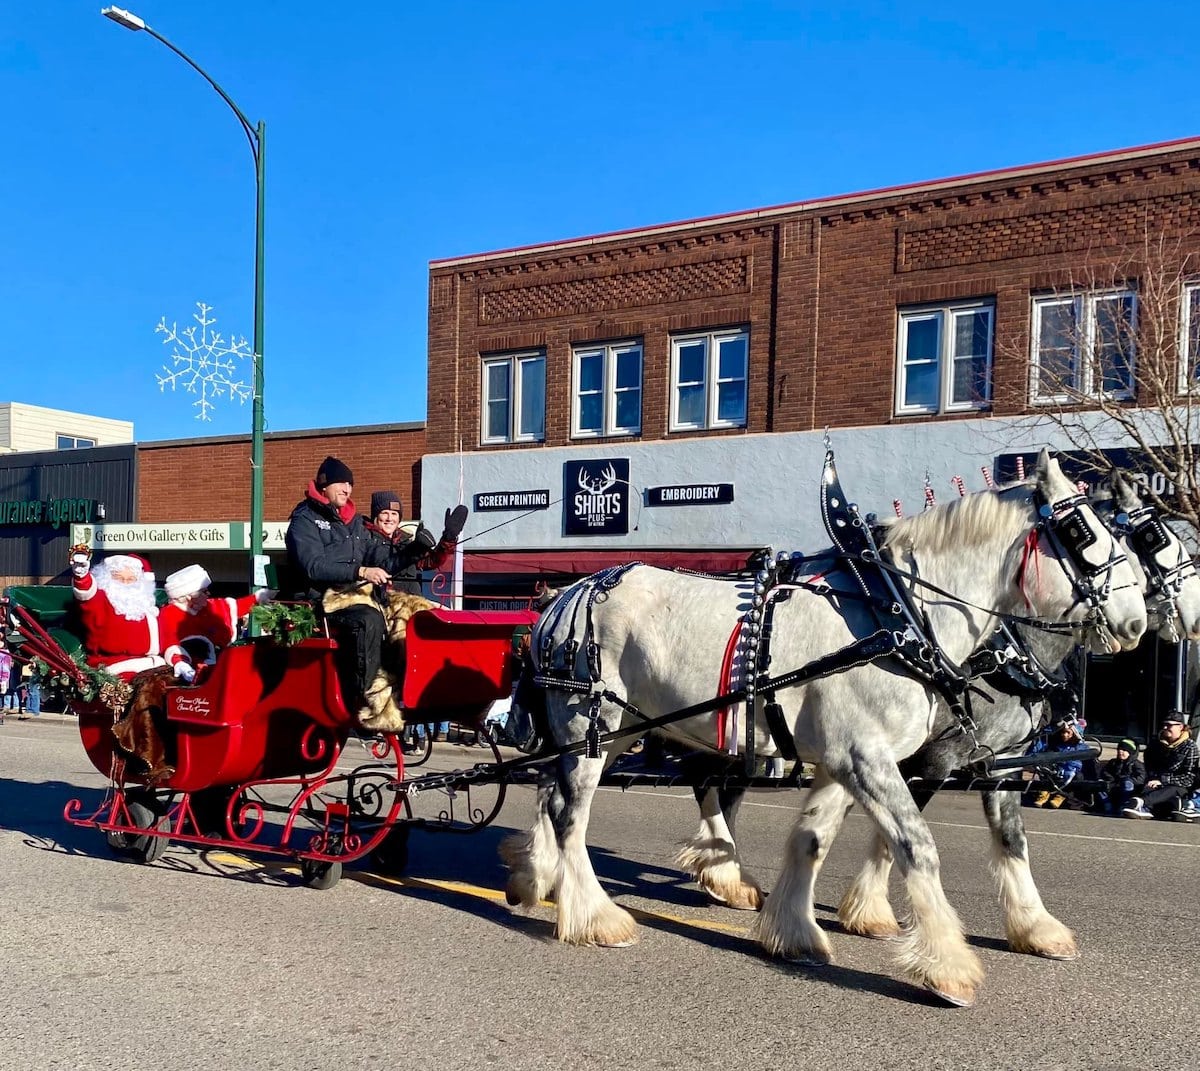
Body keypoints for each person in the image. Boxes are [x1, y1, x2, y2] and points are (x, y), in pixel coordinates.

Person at [285, 457, 393, 727]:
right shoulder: (305, 519)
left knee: (400, 618)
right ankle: (362, 698)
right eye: (342, 483)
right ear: (324, 485)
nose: (348, 489)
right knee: (368, 618)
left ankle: (397, 690)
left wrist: (419, 549)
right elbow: (313, 566)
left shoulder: (355, 523)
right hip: (317, 603)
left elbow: (381, 556)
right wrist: (360, 572)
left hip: (351, 598)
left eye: (350, 484)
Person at [158, 564, 269, 682]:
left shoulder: (211, 606)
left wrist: (264, 595)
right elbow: (170, 642)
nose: (208, 594)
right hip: (192, 670)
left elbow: (239, 605)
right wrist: (180, 662)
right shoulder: (169, 613)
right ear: (190, 596)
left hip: (219, 665)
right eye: (204, 591)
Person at [70, 546, 166, 678]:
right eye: (119, 578)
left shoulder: (147, 606)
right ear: (106, 579)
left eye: (131, 579)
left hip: (152, 664)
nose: (126, 583)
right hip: (115, 667)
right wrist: (82, 577)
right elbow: (88, 597)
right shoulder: (102, 601)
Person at [364, 489, 467, 596]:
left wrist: (448, 539)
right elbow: (385, 565)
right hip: (382, 604)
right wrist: (416, 549)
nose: (390, 518)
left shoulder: (404, 539)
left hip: (413, 600)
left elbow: (427, 562)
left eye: (394, 514)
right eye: (384, 513)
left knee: (445, 612)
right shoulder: (365, 538)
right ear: (375, 516)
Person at [1123, 712, 1199, 820]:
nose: (1165, 727)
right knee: (1141, 787)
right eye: (1164, 724)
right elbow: (1149, 768)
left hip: (1179, 786)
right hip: (1155, 784)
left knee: (1172, 790)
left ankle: (1142, 803)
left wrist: (1163, 781)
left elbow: (1189, 779)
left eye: (1169, 725)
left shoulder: (1190, 747)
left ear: (1181, 727)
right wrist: (1153, 780)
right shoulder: (1155, 744)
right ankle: (1147, 807)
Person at [1027, 717, 1091, 808]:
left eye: (1068, 733)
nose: (1064, 735)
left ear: (1075, 733)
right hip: (1057, 772)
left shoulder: (1082, 748)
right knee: (1045, 768)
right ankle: (1044, 793)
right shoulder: (1057, 746)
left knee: (1076, 776)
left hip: (1072, 774)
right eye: (1063, 732)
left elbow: (1088, 766)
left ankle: (1061, 796)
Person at [1092, 738, 1145, 815]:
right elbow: (1105, 773)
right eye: (1119, 749)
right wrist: (1111, 779)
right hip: (1114, 785)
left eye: (1124, 750)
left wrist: (1126, 779)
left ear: (1130, 752)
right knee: (1100, 784)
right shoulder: (1113, 762)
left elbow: (1140, 778)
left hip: (1129, 789)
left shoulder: (1136, 764)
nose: (1120, 752)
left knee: (1127, 783)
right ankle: (1107, 805)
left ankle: (1123, 806)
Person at [0, 639, 14, 723]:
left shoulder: (5, 654)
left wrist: (4, 681)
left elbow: (6, 668)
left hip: (1, 679)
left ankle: (0, 717)